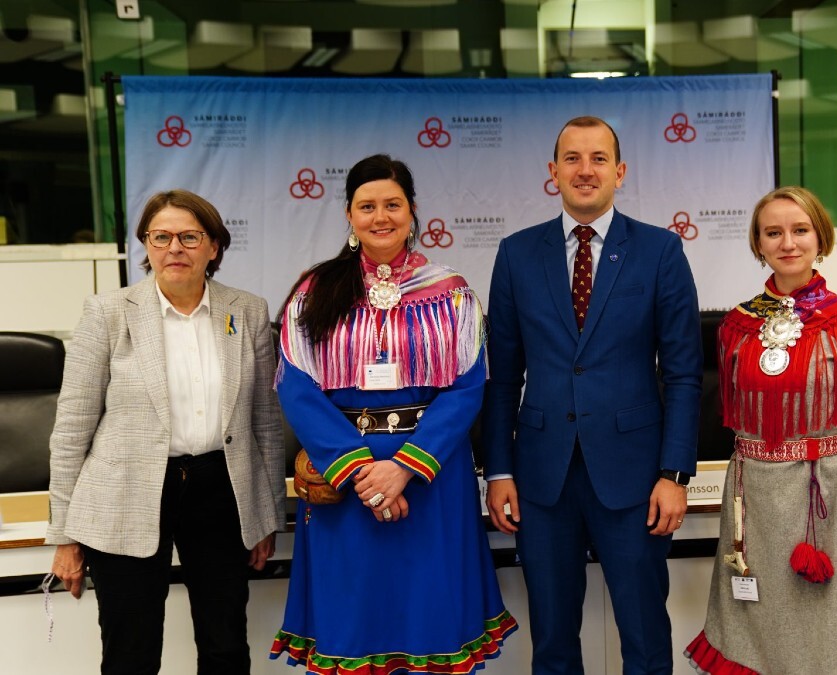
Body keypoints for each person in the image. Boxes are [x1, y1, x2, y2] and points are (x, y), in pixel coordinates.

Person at [269, 154, 515, 674]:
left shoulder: (451, 292)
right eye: (367, 206)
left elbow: (468, 388)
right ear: (349, 216)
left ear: (412, 210)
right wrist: (363, 472)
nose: (380, 217)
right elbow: (297, 389)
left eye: (392, 205)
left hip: (429, 476)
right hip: (347, 482)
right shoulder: (314, 291)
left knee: (432, 617)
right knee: (353, 621)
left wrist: (403, 467)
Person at [481, 115, 703, 674]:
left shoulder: (659, 252)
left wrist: (675, 474)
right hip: (541, 479)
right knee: (552, 640)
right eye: (573, 159)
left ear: (620, 171)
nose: (586, 170)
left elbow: (682, 374)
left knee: (645, 635)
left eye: (598, 158)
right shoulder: (515, 254)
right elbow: (503, 377)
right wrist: (499, 471)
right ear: (552, 172)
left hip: (636, 478)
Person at [684, 187, 837, 675]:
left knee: (834, 622)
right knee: (761, 620)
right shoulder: (735, 327)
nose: (787, 242)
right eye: (773, 232)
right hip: (754, 493)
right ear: (758, 244)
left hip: (831, 496)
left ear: (821, 238)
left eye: (800, 230)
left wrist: (829, 459)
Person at [46, 189, 286, 674]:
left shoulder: (248, 311)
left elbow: (264, 420)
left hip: (220, 490)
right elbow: (72, 425)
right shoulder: (107, 313)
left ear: (213, 246)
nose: (175, 248)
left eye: (190, 237)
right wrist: (64, 535)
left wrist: (266, 515)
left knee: (224, 645)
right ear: (147, 246)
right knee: (130, 652)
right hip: (126, 492)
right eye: (161, 237)